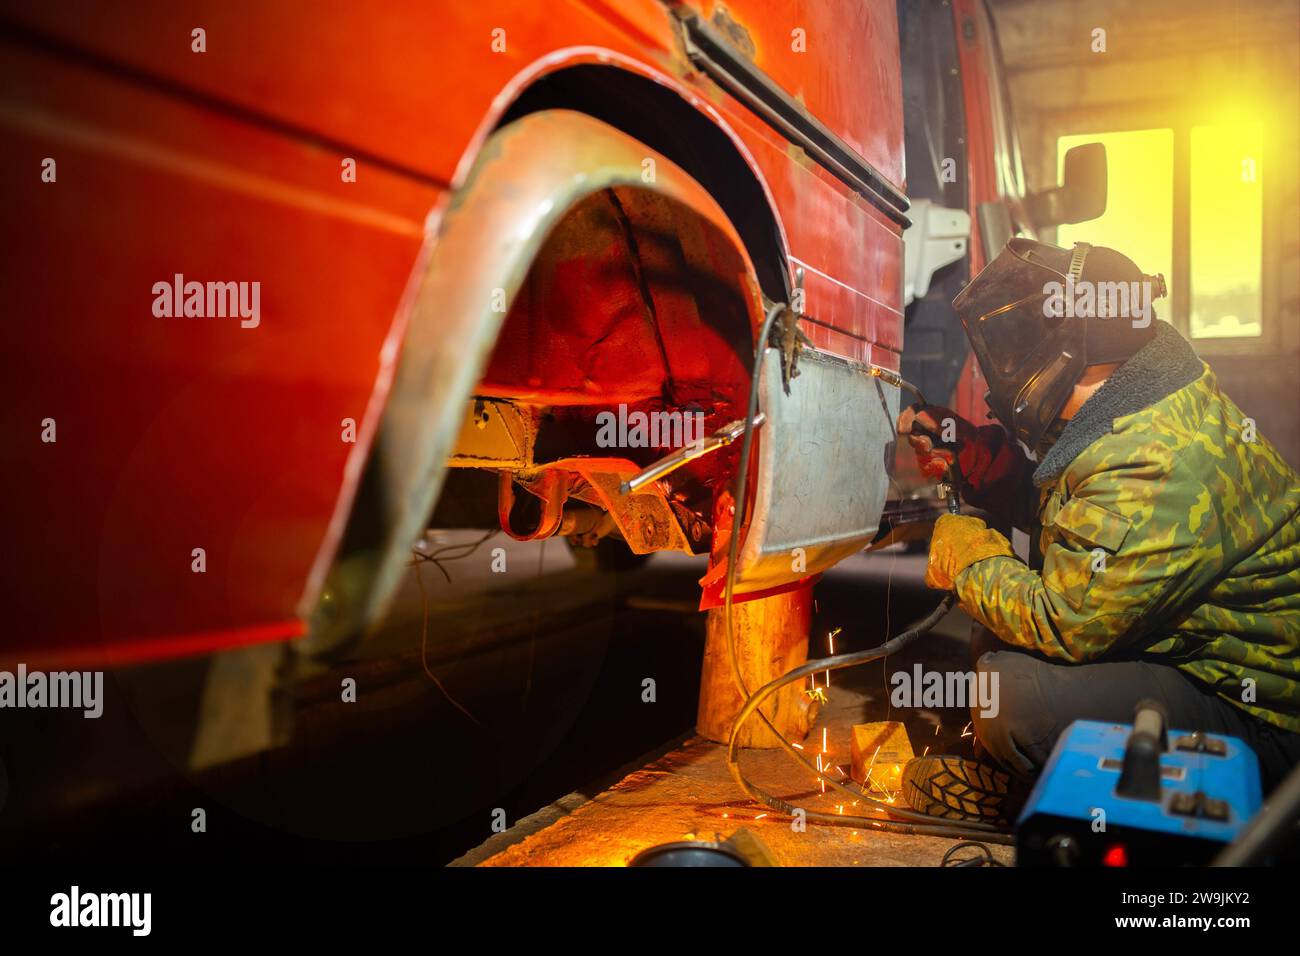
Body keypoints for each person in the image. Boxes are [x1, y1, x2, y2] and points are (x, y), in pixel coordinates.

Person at [896, 238, 1300, 823]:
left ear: (1076, 359)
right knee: (996, 640)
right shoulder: (1141, 397)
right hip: (1200, 656)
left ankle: (1057, 808)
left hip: (1262, 720)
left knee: (1009, 697)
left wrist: (965, 556)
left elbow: (1066, 621)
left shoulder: (1159, 461)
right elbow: (1089, 527)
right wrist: (986, 463)